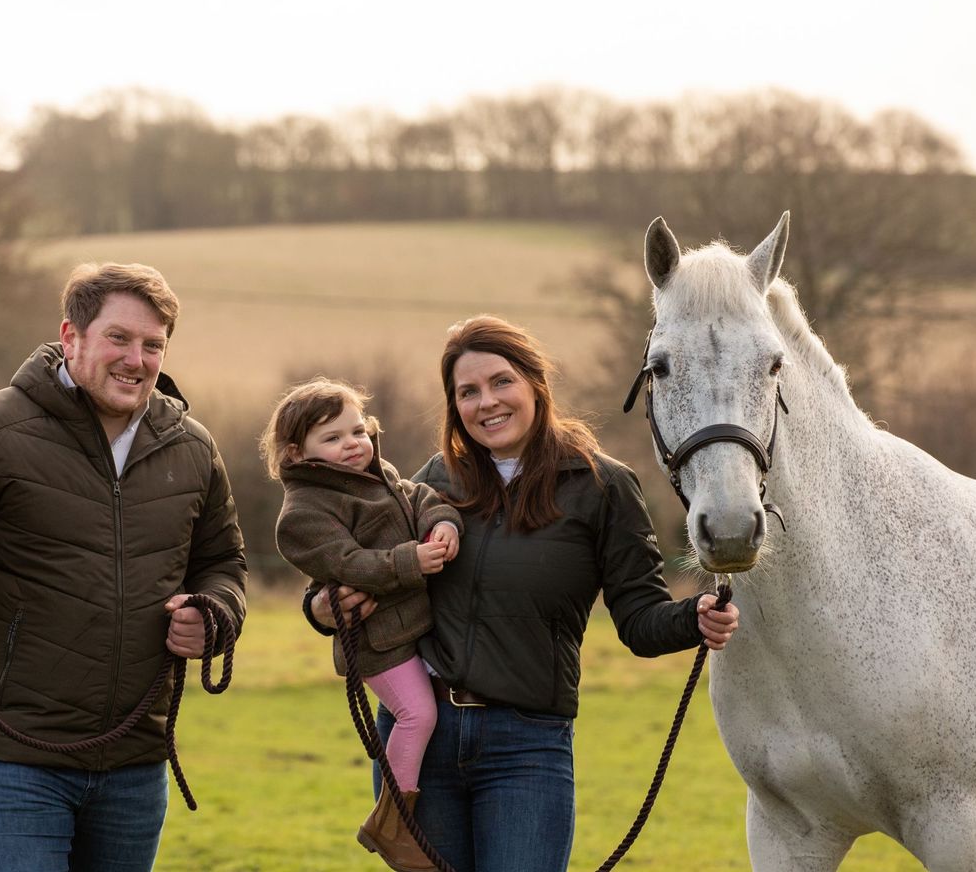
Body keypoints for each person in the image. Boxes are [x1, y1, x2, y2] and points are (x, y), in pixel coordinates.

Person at [307, 315, 740, 872]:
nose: (487, 402)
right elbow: (355, 564)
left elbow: (639, 617)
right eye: (468, 392)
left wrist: (693, 618)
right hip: (422, 738)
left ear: (536, 382)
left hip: (527, 748)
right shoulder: (434, 480)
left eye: (501, 381)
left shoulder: (602, 486)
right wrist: (322, 608)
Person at [0, 262, 248, 872]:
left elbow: (222, 563)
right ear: (71, 336)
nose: (137, 359)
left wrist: (214, 615)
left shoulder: (192, 448)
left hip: (136, 760)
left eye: (153, 344)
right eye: (119, 338)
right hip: (11, 756)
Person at [261, 377, 462, 869]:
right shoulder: (302, 514)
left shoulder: (378, 471)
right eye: (332, 439)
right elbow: (349, 564)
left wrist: (443, 522)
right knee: (418, 716)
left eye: (357, 431)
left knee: (426, 712)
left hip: (416, 630)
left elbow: (418, 496)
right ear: (296, 452)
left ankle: (397, 819)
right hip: (380, 643)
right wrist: (410, 561)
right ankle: (392, 823)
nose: (352, 445)